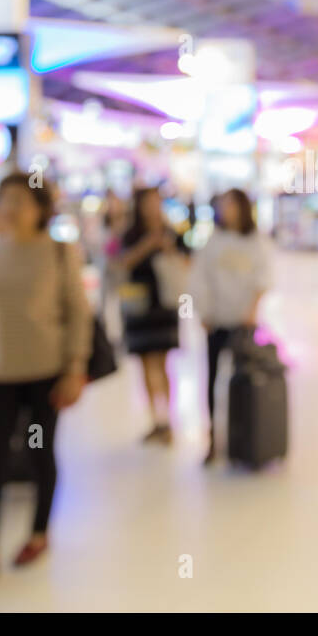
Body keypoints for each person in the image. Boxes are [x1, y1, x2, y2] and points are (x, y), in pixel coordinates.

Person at [0, 172, 90, 589]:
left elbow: (78, 311)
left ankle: (38, 534)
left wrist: (75, 367)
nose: (11, 208)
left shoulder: (57, 251)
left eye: (20, 200)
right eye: (4, 200)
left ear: (40, 209)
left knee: (38, 451)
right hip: (1, 373)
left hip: (44, 373)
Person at [190, 188, 271, 465]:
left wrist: (251, 312)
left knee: (245, 379)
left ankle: (245, 435)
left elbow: (263, 278)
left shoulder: (256, 241)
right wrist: (204, 312)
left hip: (243, 324)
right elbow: (200, 277)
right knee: (212, 379)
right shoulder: (213, 241)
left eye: (231, 205)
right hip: (217, 322)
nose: (227, 210)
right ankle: (213, 437)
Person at [116, 187, 187, 446]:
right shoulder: (131, 234)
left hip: (164, 304)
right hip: (138, 303)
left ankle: (167, 420)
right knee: (145, 363)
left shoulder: (172, 232)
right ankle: (155, 420)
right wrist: (147, 245)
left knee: (163, 362)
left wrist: (168, 248)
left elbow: (186, 263)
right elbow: (122, 263)